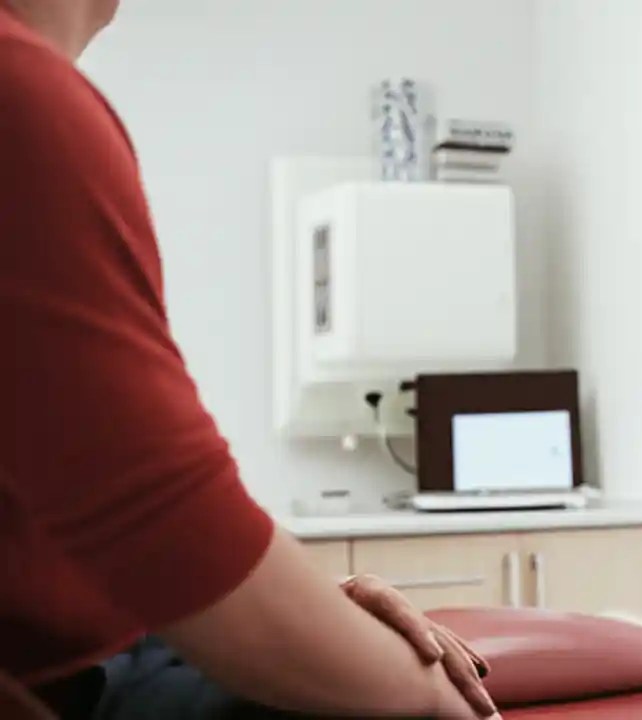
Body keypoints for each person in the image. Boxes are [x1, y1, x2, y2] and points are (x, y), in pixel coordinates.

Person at [0, 2, 501, 718]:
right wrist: (418, 698)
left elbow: (107, 528)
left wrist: (308, 618)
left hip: (124, 647)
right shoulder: (21, 98)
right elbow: (166, 533)